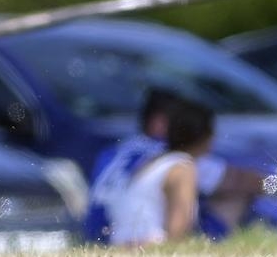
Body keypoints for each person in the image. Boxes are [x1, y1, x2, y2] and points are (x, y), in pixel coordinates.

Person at [85, 88, 263, 244]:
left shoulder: (115, 151)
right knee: (234, 196)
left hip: (99, 232)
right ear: (160, 122)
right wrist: (276, 185)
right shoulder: (175, 160)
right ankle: (219, 243)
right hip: (141, 242)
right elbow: (240, 180)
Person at [107, 96, 215, 246]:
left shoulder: (154, 161)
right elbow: (177, 233)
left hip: (121, 244)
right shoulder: (182, 168)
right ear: (206, 137)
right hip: (145, 246)